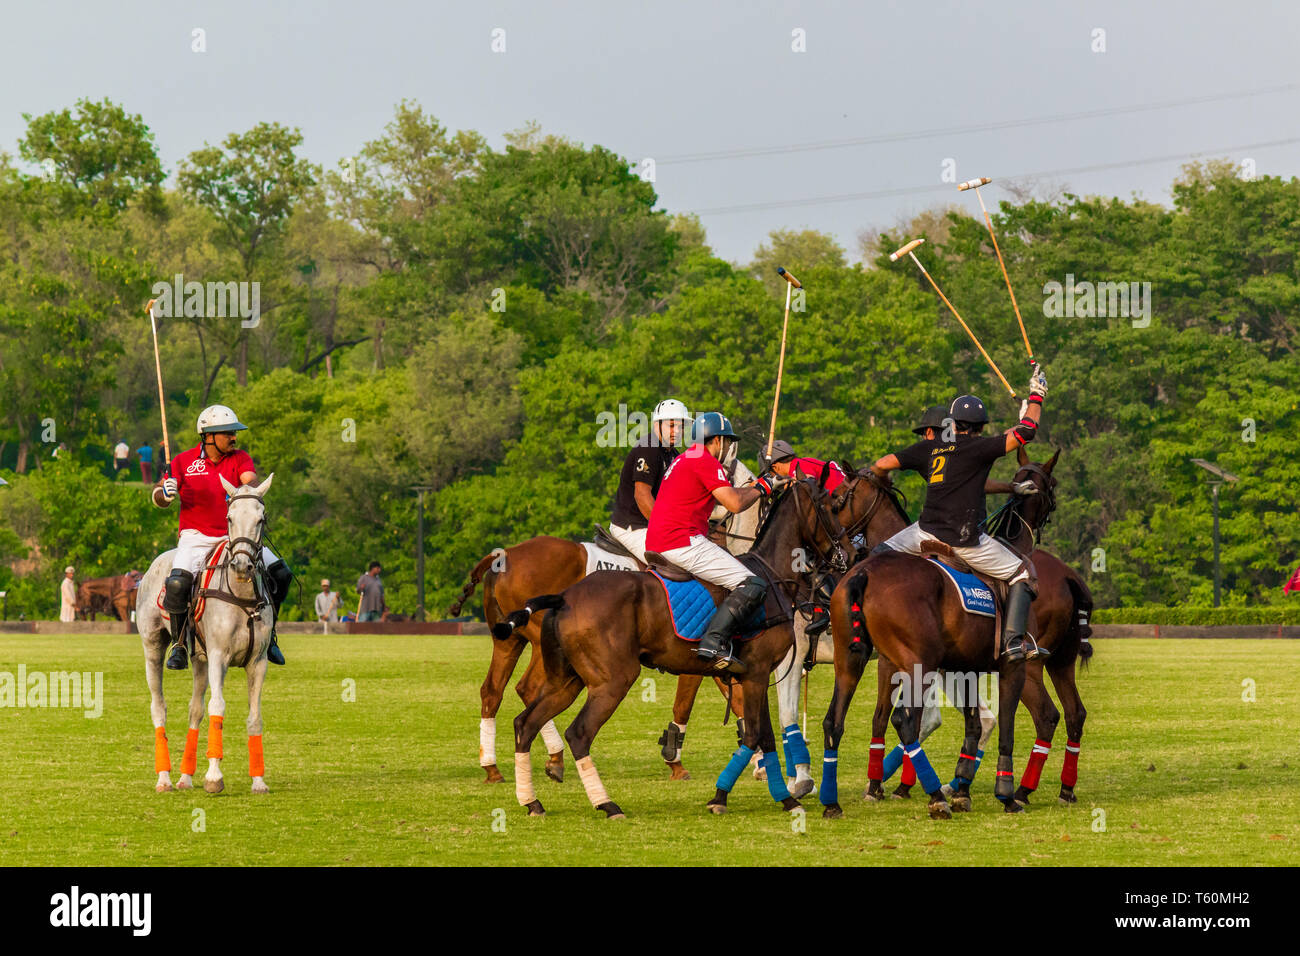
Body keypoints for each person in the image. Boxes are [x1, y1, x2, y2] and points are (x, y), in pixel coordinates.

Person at [867, 366, 1050, 662]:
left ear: (952, 422)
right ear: (980, 426)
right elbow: (1025, 432)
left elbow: (882, 462)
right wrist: (1036, 396)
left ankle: (857, 622)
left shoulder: (932, 447)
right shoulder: (980, 448)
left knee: (875, 555)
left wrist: (882, 479)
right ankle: (1014, 642)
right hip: (964, 542)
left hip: (923, 534)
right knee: (1023, 573)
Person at [152, 404, 290, 670]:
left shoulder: (240, 458)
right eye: (228, 433)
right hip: (195, 537)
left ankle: (271, 636)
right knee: (178, 584)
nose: (234, 438)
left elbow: (248, 480)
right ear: (208, 436)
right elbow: (159, 498)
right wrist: (165, 493)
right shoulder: (183, 461)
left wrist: (244, 488)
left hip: (233, 538)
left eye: (234, 433)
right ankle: (180, 644)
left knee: (281, 574)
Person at [645, 412, 785, 674]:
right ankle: (714, 642)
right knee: (752, 583)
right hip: (681, 541)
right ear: (718, 440)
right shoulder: (705, 460)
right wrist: (765, 487)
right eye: (729, 443)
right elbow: (734, 503)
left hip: (658, 541)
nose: (729, 448)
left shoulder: (686, 458)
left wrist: (757, 485)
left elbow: (733, 495)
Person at [608, 399, 690, 562]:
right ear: (656, 425)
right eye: (671, 426)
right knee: (676, 563)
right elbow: (642, 495)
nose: (677, 431)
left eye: (681, 426)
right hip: (632, 527)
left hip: (646, 525)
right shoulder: (649, 448)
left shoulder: (673, 454)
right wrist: (666, 530)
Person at [760, 439, 848, 491]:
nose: (772, 477)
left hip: (841, 498)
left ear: (776, 467)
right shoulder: (799, 464)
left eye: (771, 474)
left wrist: (779, 483)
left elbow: (808, 483)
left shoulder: (800, 465)